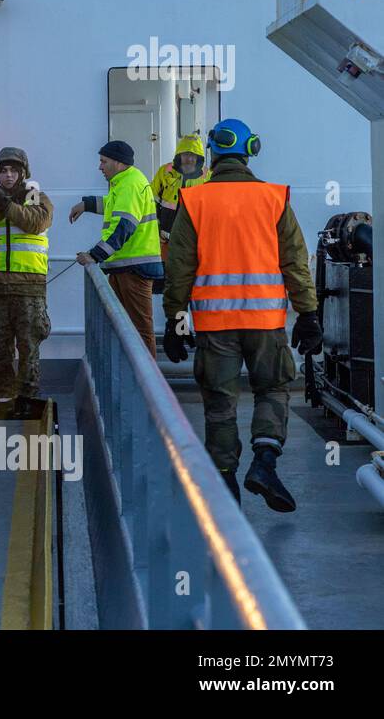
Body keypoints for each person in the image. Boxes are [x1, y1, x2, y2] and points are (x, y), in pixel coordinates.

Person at [161, 118, 321, 511]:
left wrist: (174, 317)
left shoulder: (195, 201)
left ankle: (225, 486)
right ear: (252, 150)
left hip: (215, 326)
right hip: (266, 325)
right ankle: (264, 463)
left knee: (220, 402)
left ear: (212, 154)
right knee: (272, 389)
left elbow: (180, 266)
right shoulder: (274, 198)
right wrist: (308, 313)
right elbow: (295, 262)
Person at [0, 147, 54, 420]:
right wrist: (8, 203)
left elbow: (37, 221)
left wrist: (7, 204)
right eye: (3, 171)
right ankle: (3, 402)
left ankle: (27, 401)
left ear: (23, 173)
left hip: (29, 288)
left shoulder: (37, 198)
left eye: (13, 171)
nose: (8, 176)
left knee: (29, 347)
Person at [69, 140, 161, 355]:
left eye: (104, 161)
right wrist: (87, 204)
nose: (100, 167)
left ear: (119, 163)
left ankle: (146, 384)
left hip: (134, 267)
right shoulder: (126, 182)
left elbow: (124, 226)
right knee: (127, 328)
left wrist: (95, 255)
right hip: (128, 266)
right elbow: (112, 204)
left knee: (138, 329)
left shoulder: (129, 184)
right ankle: (139, 381)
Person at [150, 133, 211, 284]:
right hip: (165, 235)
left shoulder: (208, 175)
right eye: (186, 154)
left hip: (194, 236)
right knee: (164, 277)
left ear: (199, 157)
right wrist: (156, 227)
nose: (189, 159)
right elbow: (150, 200)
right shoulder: (165, 171)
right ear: (179, 154)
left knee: (190, 274)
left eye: (193, 155)